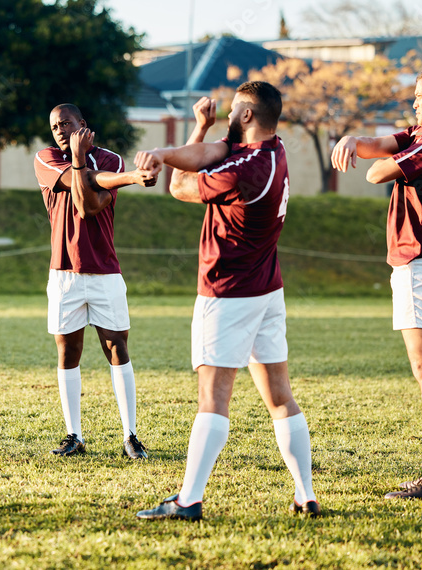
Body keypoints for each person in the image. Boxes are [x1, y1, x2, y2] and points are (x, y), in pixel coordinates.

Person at [134, 82, 320, 521]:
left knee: (213, 397)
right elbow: (205, 155)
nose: (229, 118)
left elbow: (181, 186)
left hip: (228, 291)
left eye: (235, 112)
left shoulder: (243, 172)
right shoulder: (269, 151)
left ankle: (188, 500)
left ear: (248, 116)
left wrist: (171, 154)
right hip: (267, 291)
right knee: (280, 397)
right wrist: (191, 133)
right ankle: (305, 493)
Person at [331, 65, 422, 500]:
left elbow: (377, 171)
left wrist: (377, 156)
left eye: (419, 97)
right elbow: (379, 145)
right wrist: (354, 140)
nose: (414, 103)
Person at [33, 104, 157, 460]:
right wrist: (132, 177)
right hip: (64, 273)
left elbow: (90, 202)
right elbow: (82, 188)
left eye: (66, 123)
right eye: (54, 125)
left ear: (82, 125)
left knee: (117, 347)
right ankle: (74, 436)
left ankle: (130, 435)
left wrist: (89, 166)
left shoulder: (111, 159)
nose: (59, 130)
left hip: (105, 271)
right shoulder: (45, 158)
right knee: (68, 351)